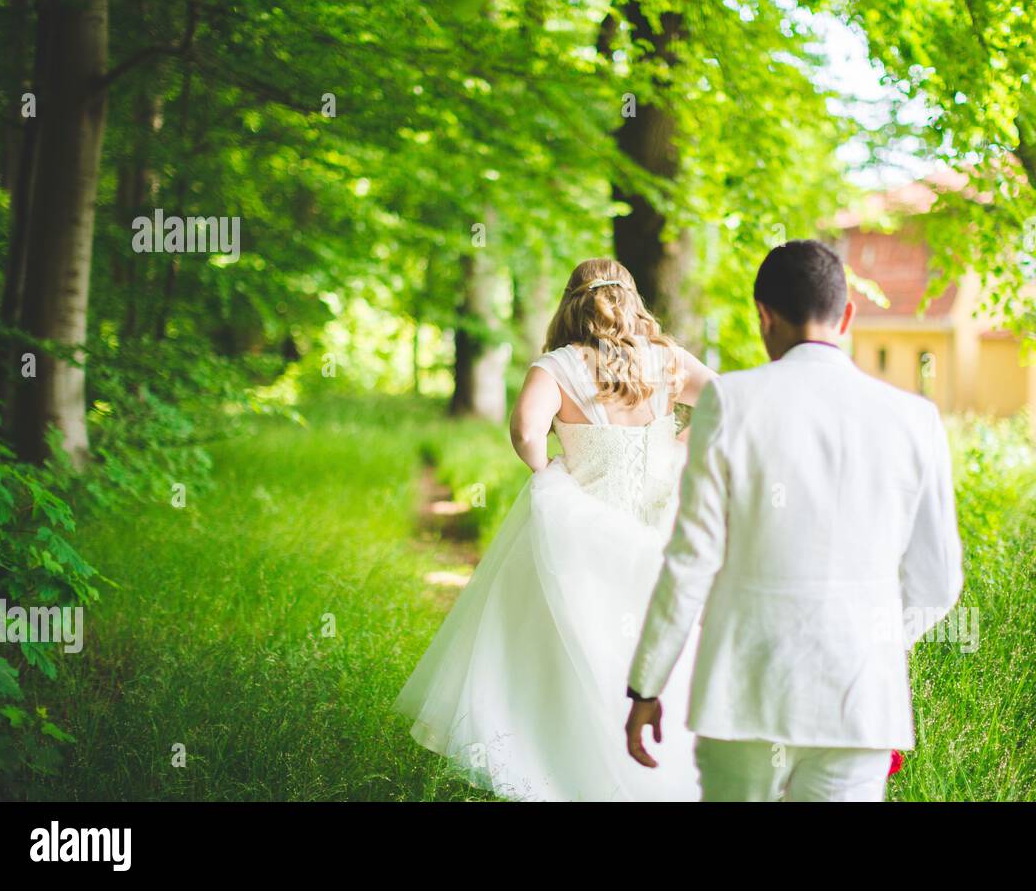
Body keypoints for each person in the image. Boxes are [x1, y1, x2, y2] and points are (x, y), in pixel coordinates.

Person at [625, 239, 963, 802]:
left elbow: (692, 561)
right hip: (859, 703)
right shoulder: (915, 419)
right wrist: (872, 639)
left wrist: (646, 684)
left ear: (764, 315)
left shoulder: (731, 402)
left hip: (746, 694)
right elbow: (939, 580)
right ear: (847, 315)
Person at [394, 258, 714, 800]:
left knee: (572, 635)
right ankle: (664, 769)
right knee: (655, 635)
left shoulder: (556, 366)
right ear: (632, 298)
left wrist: (547, 472)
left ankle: (560, 763)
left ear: (571, 303)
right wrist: (683, 448)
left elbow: (525, 429)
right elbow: (725, 402)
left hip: (585, 521)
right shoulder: (666, 360)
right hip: (662, 519)